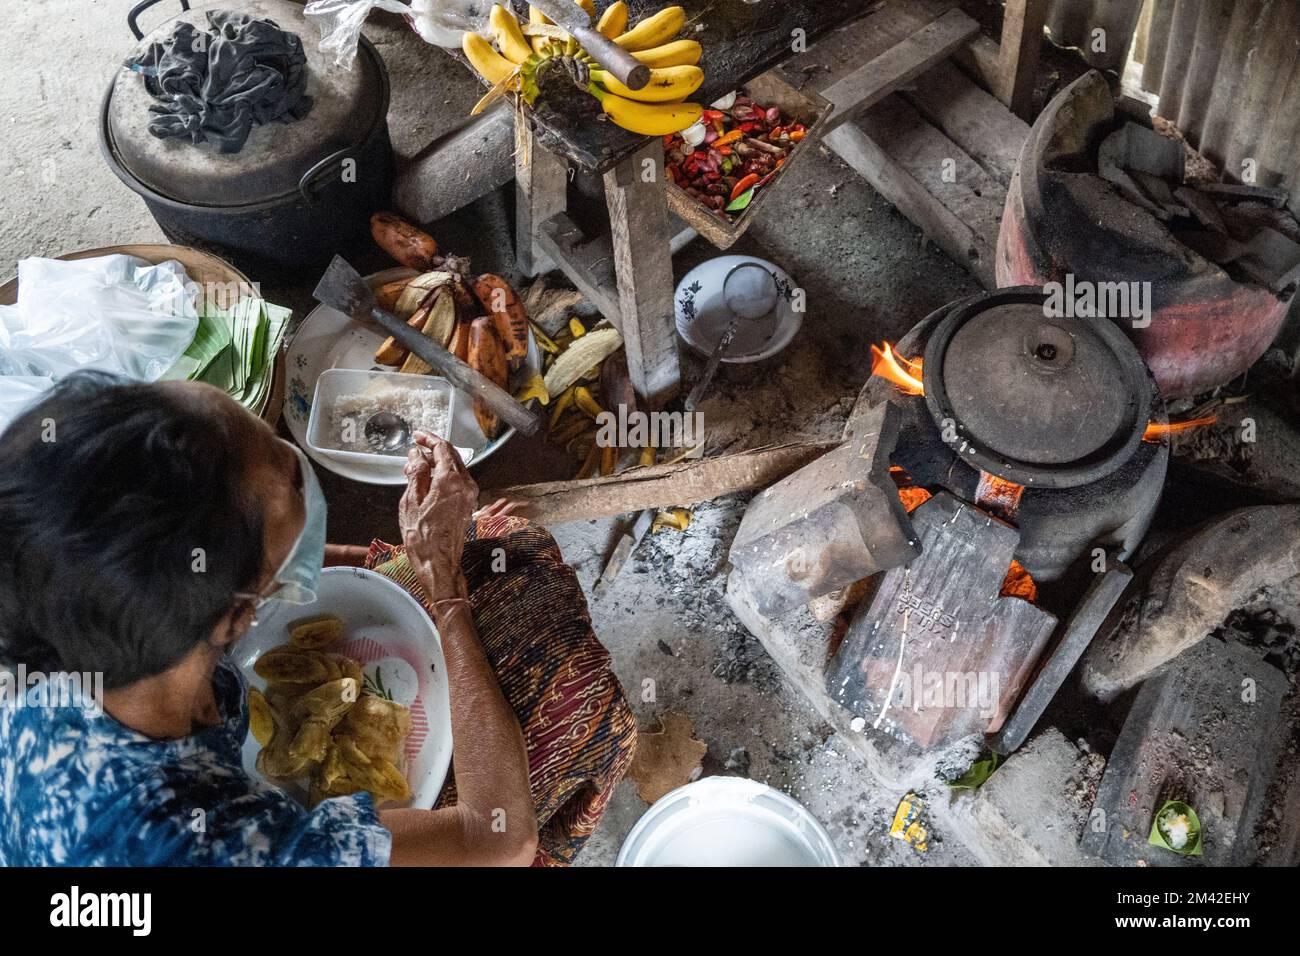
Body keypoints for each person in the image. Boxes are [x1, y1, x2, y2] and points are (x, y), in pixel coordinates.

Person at [0, 371, 635, 866]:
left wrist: (403, 556)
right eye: (288, 471)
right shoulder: (213, 844)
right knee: (561, 673)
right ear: (237, 612)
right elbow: (493, 841)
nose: (294, 458)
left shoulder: (67, 609)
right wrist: (444, 588)